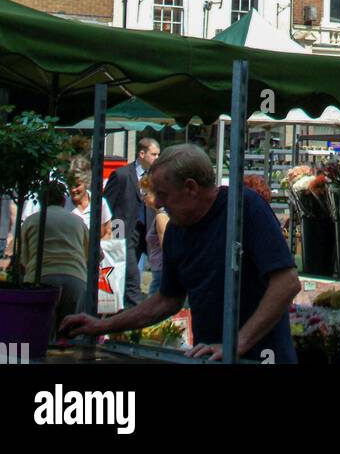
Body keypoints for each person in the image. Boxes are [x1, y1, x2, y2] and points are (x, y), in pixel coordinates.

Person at [62, 144, 301, 362]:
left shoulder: (243, 207)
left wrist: (237, 343)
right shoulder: (177, 230)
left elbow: (287, 283)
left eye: (164, 195)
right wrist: (101, 326)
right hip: (208, 356)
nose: (157, 204)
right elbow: (166, 300)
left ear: (191, 188)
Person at [20, 182, 90, 336]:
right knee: (71, 334)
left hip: (41, 278)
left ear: (40, 200)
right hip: (75, 279)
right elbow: (93, 256)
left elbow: (23, 260)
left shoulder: (31, 221)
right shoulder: (78, 222)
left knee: (40, 334)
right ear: (64, 200)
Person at [104, 136, 160, 305]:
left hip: (147, 230)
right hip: (124, 231)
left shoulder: (155, 177)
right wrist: (110, 232)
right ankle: (133, 309)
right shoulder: (122, 175)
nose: (157, 158)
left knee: (155, 271)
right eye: (154, 154)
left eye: (158, 155)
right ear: (142, 154)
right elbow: (106, 205)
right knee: (132, 275)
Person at [140, 173, 168, 295]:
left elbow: (166, 248)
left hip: (161, 272)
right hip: (159, 270)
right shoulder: (161, 214)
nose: (143, 198)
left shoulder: (161, 217)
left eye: (145, 194)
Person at [69, 164, 113, 240]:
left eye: (77, 185)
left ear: (86, 183)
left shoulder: (100, 203)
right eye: (70, 185)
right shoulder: (63, 204)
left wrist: (96, 249)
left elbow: (108, 232)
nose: (73, 190)